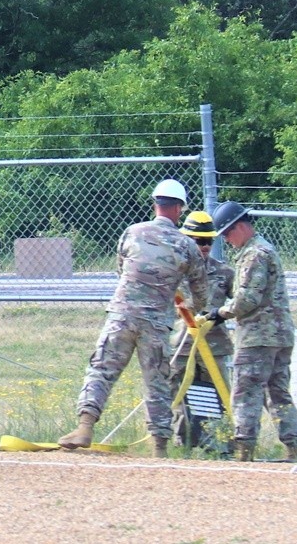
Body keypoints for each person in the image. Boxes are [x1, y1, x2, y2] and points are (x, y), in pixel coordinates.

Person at [60, 178, 211, 457]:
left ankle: (84, 427)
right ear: (179, 209)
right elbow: (201, 294)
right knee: (156, 383)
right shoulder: (187, 245)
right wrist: (182, 305)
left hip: (122, 314)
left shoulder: (132, 232)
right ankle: (159, 448)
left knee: (102, 370)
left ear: (155, 204)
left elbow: (122, 270)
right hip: (156, 322)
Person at [202, 202, 297, 462]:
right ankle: (293, 448)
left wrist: (219, 313)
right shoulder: (263, 249)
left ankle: (243, 450)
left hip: (258, 336)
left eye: (227, 233)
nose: (225, 239)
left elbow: (247, 298)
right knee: (278, 393)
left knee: (246, 392)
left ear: (241, 226)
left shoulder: (254, 253)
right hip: (279, 335)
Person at [167, 210, 233, 450]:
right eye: (199, 241)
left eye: (209, 241)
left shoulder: (224, 272)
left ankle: (218, 446)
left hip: (214, 347)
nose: (205, 246)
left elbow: (239, 303)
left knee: (216, 395)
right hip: (181, 346)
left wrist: (221, 315)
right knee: (178, 396)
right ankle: (181, 444)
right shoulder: (173, 269)